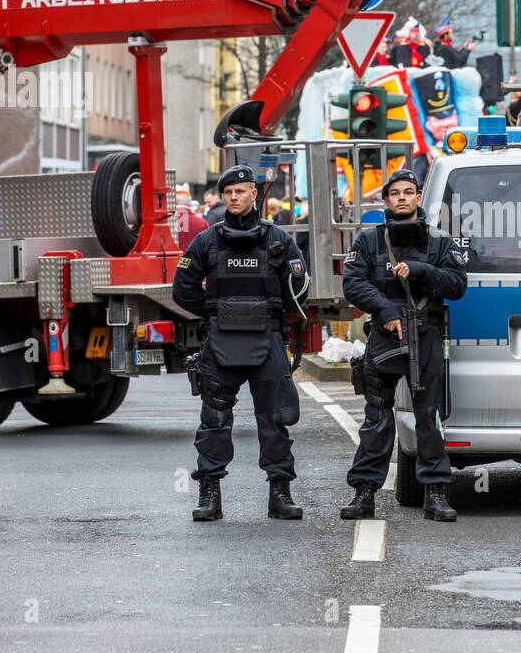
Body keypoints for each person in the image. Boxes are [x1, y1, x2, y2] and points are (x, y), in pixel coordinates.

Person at [172, 165, 309, 523]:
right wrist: (216, 312)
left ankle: (280, 493)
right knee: (214, 422)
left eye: (241, 191)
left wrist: (267, 312)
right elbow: (182, 288)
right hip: (221, 343)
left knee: (275, 420)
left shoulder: (278, 239)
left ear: (254, 195)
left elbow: (300, 287)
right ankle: (209, 495)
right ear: (223, 196)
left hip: (268, 339)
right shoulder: (207, 240)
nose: (234, 198)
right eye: (228, 192)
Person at [339, 170, 468, 523]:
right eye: (394, 193)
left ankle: (436, 494)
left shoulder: (440, 242)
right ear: (386, 200)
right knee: (377, 419)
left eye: (408, 192)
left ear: (418, 198)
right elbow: (353, 282)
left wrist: (421, 270)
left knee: (429, 418)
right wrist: (385, 309)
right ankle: (364, 494)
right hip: (385, 337)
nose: (401, 198)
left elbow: (458, 285)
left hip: (427, 338)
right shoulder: (369, 241)